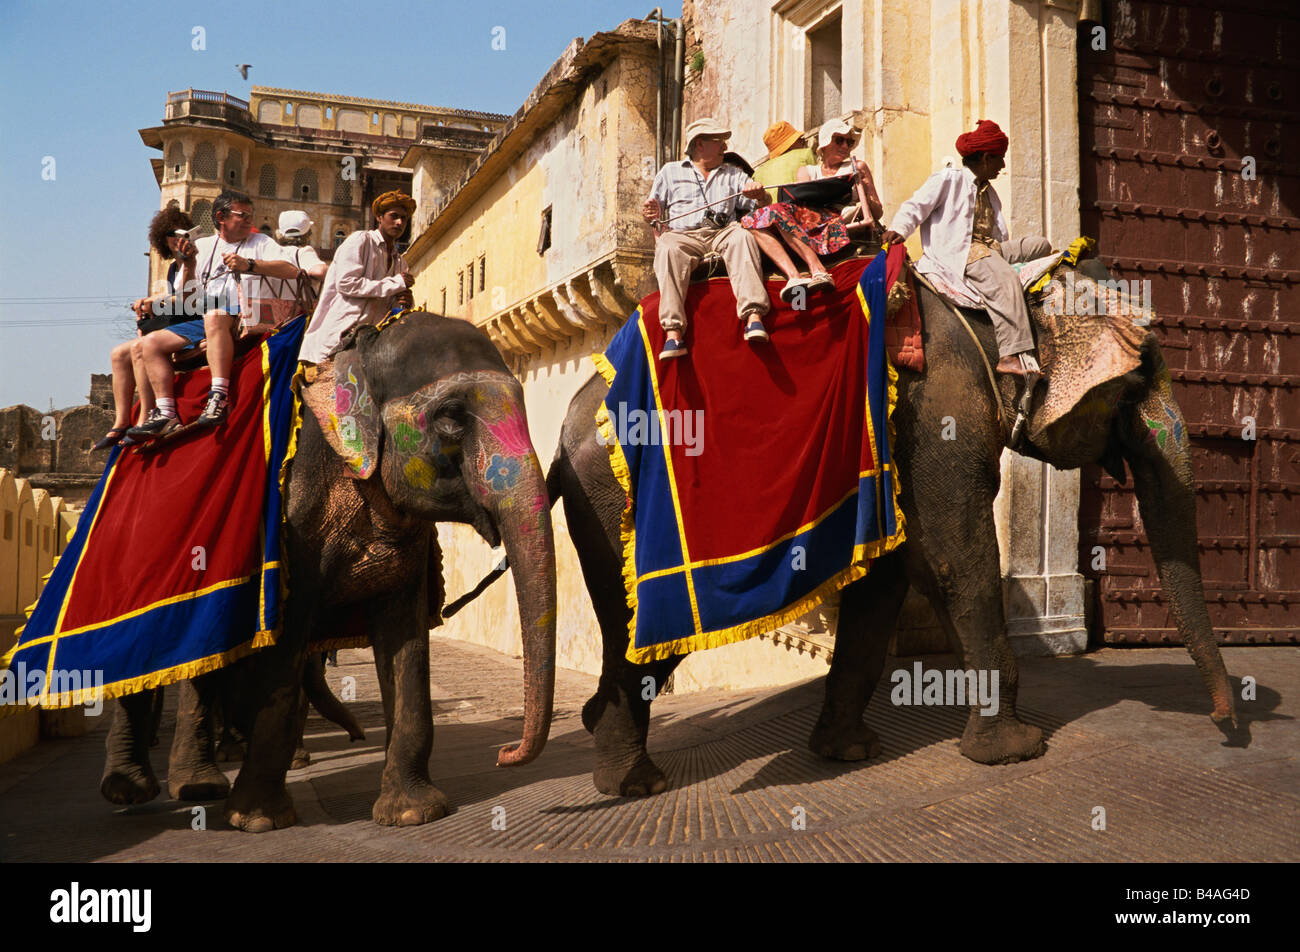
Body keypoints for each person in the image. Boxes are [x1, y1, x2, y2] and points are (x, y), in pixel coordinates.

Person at [882, 119, 1051, 377]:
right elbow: (915, 206)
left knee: (1041, 245)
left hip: (991, 248)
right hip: (962, 252)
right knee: (1005, 278)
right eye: (999, 159)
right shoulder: (949, 179)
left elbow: (996, 234)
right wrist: (899, 230)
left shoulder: (989, 192)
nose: (1003, 166)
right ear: (985, 158)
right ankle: (1010, 354)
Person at [128, 190, 301, 438]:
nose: (249, 220)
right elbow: (186, 298)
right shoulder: (203, 246)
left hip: (242, 313)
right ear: (221, 216)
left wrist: (250, 265)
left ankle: (218, 396)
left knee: (215, 316)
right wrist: (188, 264)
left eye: (250, 215)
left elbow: (291, 270)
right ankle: (167, 414)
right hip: (203, 315)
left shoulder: (261, 243)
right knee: (149, 344)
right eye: (243, 215)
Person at [642, 117, 774, 360]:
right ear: (700, 144)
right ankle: (673, 333)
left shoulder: (734, 174)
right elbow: (652, 213)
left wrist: (761, 196)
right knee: (667, 247)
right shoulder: (669, 172)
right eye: (720, 141)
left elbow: (761, 206)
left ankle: (753, 317)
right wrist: (650, 212)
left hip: (722, 232)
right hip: (684, 235)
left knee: (742, 237)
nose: (725, 146)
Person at [93, 205, 198, 451]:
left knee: (143, 346)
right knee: (118, 354)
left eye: (179, 233)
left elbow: (193, 299)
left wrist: (156, 303)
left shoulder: (197, 260)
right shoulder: (174, 267)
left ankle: (147, 415)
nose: (175, 240)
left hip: (195, 322)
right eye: (170, 236)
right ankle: (120, 422)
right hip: (178, 322)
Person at [298, 191, 416, 365]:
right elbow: (346, 284)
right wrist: (396, 283)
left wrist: (405, 300)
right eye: (394, 216)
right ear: (379, 217)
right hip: (338, 338)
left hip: (370, 346)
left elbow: (390, 305)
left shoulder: (400, 263)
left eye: (404, 219)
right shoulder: (360, 241)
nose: (399, 222)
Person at [258, 210, 329, 331]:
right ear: (308, 233)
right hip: (295, 317)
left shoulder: (269, 252)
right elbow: (320, 271)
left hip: (266, 315)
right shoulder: (303, 252)